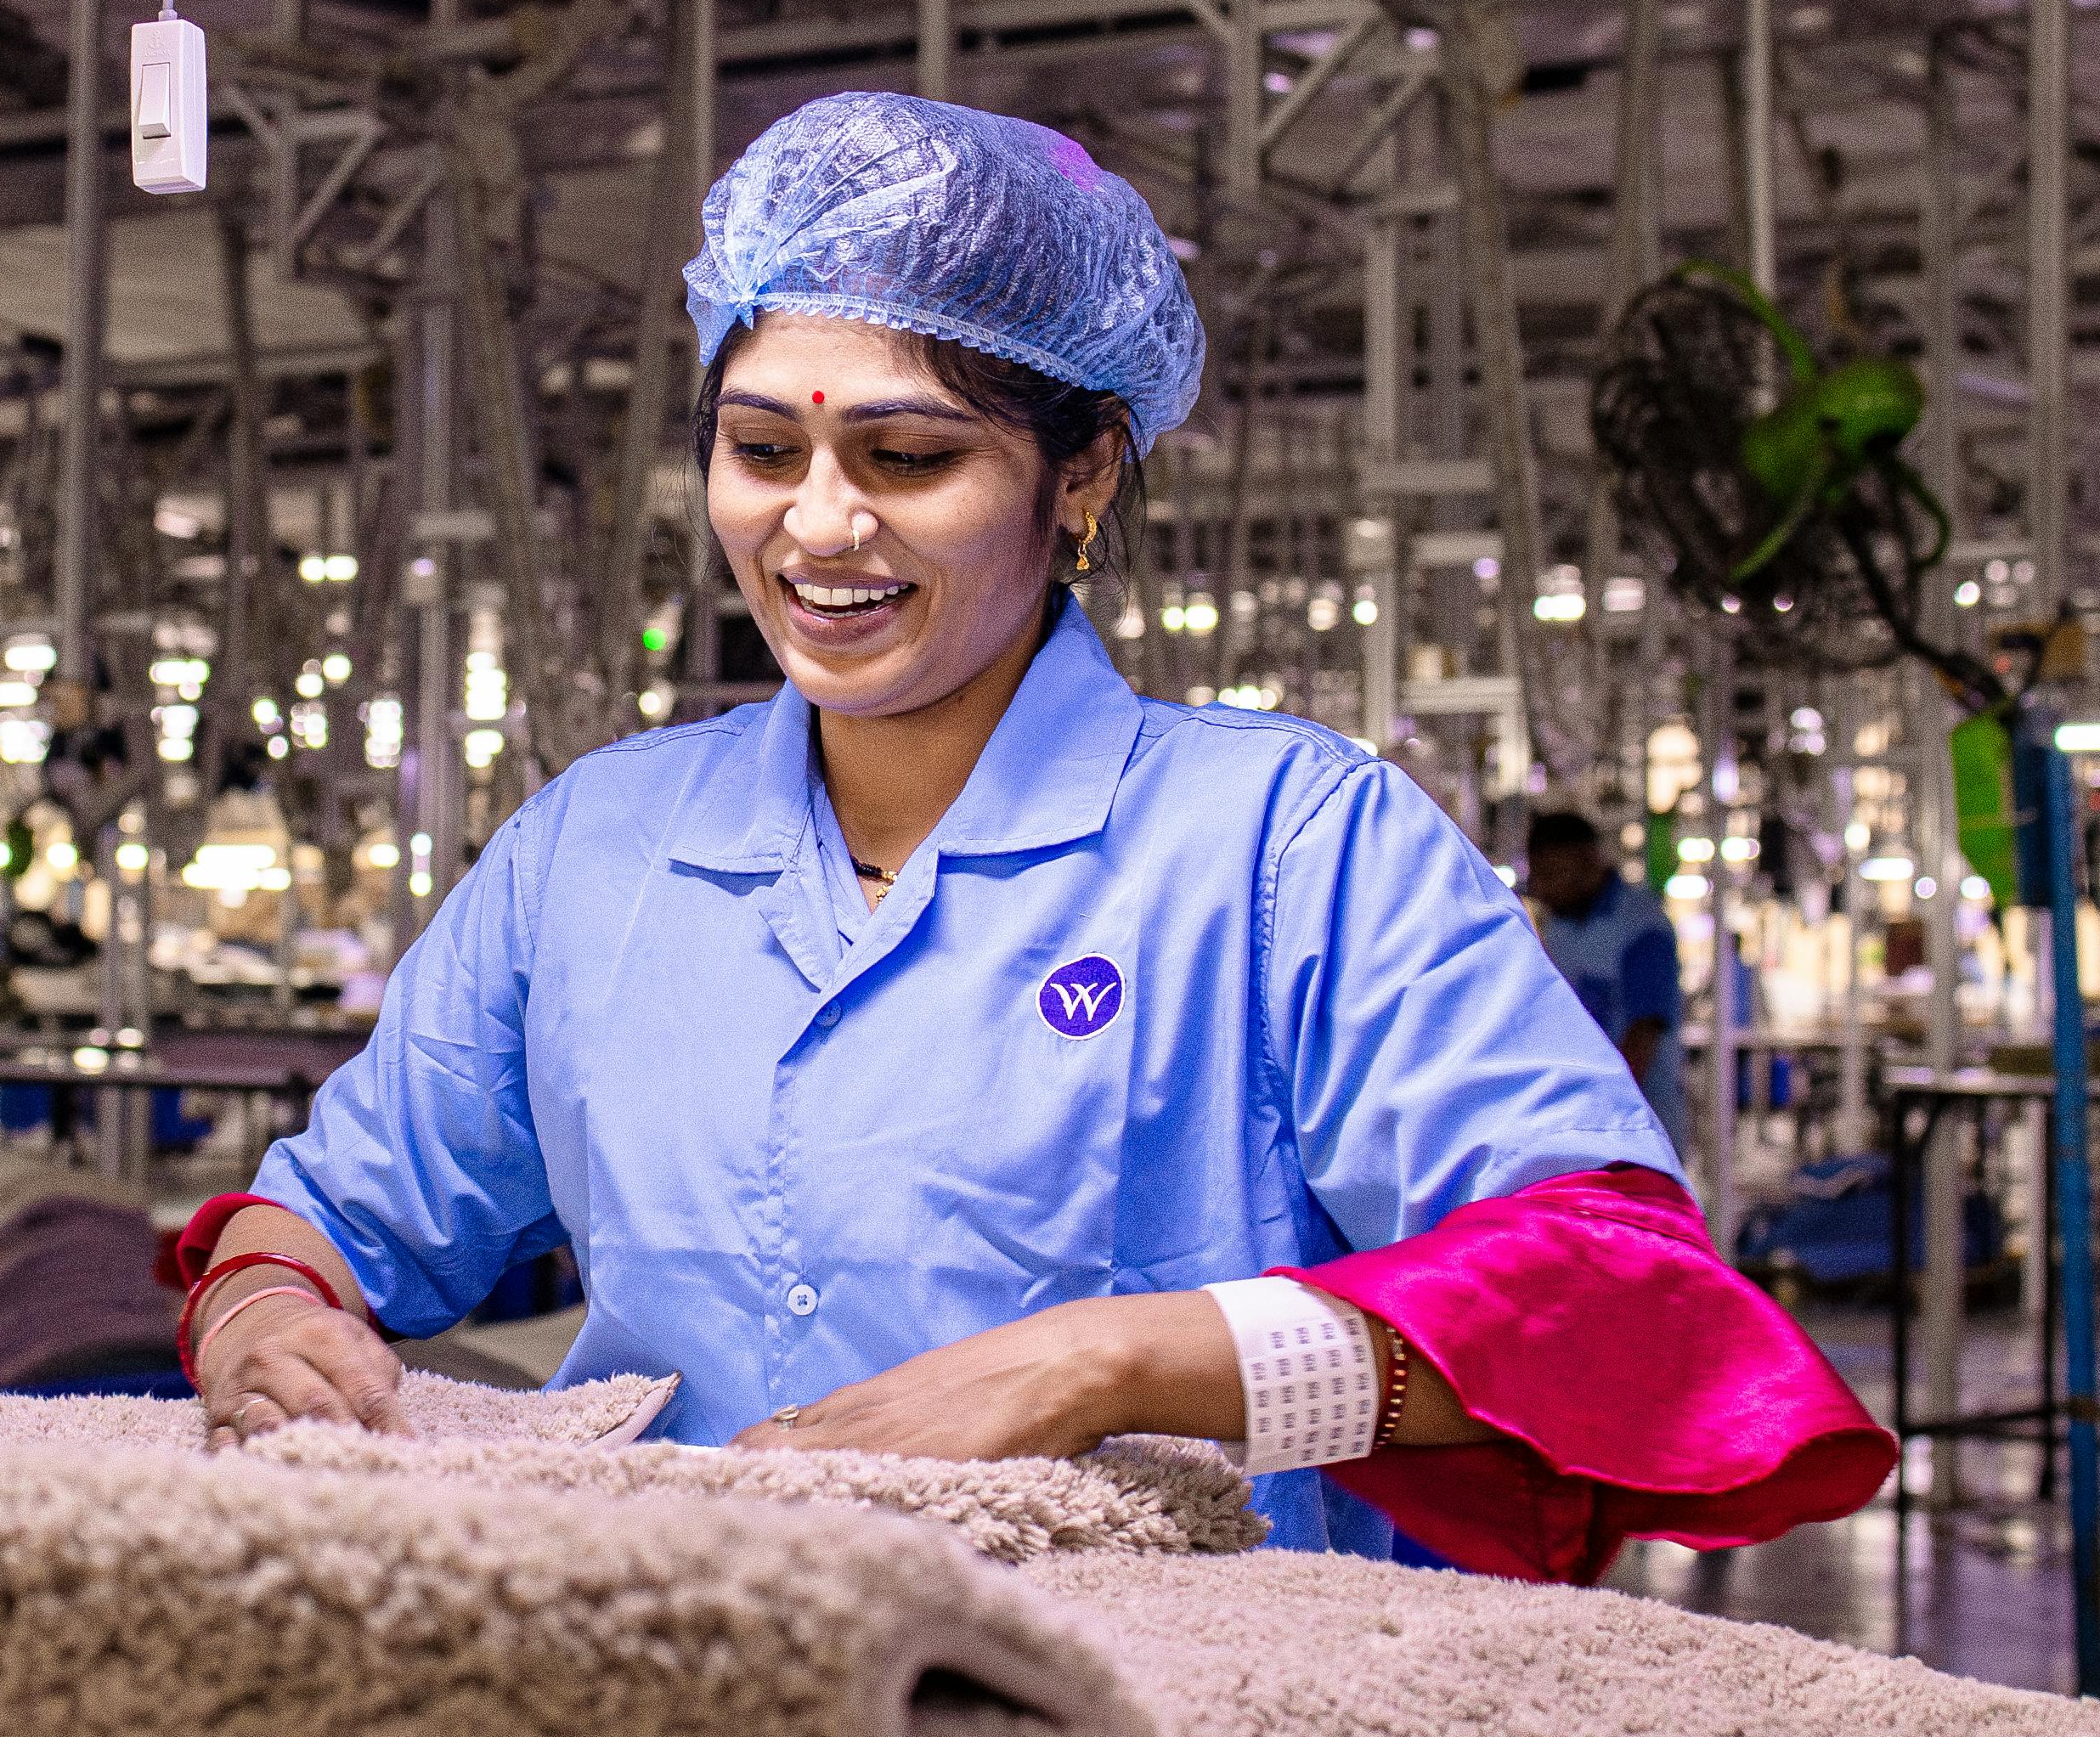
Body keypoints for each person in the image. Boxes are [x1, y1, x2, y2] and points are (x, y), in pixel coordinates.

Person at [168, 93, 1890, 1580]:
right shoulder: (594, 849)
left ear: (1084, 476)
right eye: (760, 446)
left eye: (912, 456)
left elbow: (1607, 1298)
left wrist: (1112, 1361)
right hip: (687, 1674)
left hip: (1170, 1717)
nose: (818, 524)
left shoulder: (1283, 842)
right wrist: (266, 1312)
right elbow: (324, 1214)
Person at [1521, 806, 1682, 1104]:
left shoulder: (1641, 927)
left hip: (1634, 1122)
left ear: (1588, 862)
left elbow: (1642, 1038)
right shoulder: (1560, 925)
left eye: (1552, 875)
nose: (1541, 889)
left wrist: (1599, 1107)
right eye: (1537, 876)